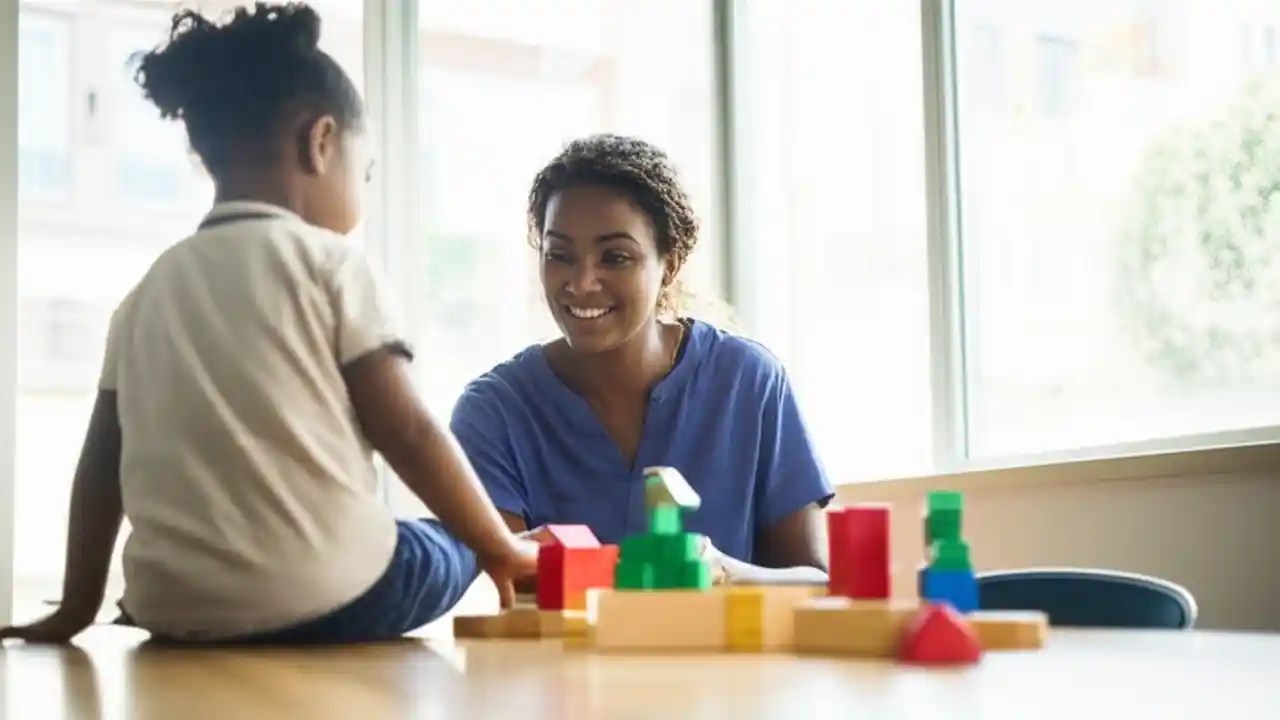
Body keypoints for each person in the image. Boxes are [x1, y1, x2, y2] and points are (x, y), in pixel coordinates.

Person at [0, 2, 534, 646]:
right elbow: (411, 431)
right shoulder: (332, 264)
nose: (362, 192)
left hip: (173, 611)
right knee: (447, 540)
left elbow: (99, 466)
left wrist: (77, 608)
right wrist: (494, 544)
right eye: (364, 171)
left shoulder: (145, 293)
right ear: (322, 142)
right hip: (334, 599)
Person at [449, 134, 834, 580]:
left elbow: (811, 581)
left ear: (668, 264)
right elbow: (506, 588)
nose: (582, 282)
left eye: (615, 257)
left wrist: (719, 570)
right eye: (560, 255)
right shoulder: (494, 413)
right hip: (561, 654)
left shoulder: (748, 382)